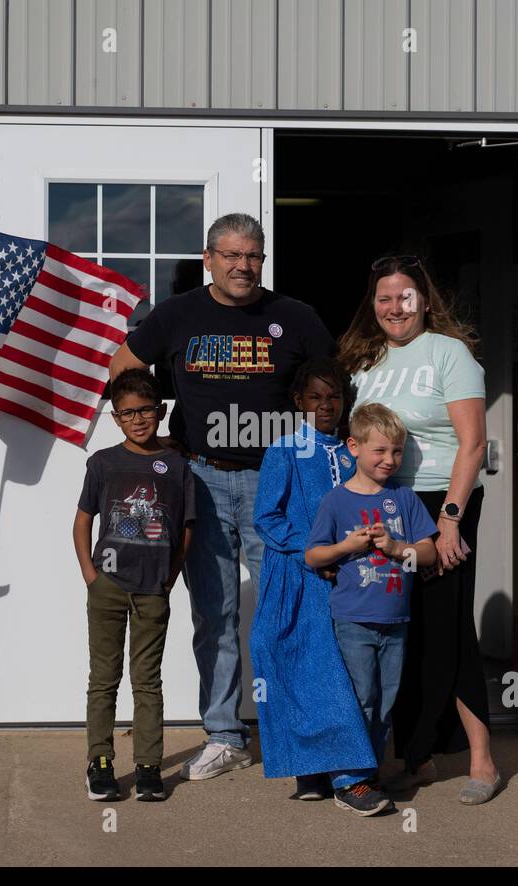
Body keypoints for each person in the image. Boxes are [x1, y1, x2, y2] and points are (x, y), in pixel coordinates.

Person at [107, 213, 334, 781]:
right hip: (200, 480)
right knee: (216, 612)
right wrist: (150, 432)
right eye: (231, 255)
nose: (243, 265)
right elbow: (125, 364)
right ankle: (225, 735)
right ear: (208, 259)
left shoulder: (294, 318)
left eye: (253, 255)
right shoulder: (177, 314)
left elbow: (331, 384)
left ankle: (300, 733)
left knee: (292, 607)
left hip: (273, 481)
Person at [338, 254, 503, 805]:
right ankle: (419, 756)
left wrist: (451, 521)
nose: (393, 307)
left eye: (404, 296)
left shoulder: (450, 354)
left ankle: (481, 758)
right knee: (398, 625)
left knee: (448, 625)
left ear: (424, 301)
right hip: (387, 502)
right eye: (384, 297)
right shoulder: (367, 360)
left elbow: (473, 443)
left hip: (442, 502)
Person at [249, 358, 378, 801]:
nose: (326, 405)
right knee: (294, 662)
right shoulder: (285, 449)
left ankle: (342, 774)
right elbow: (266, 517)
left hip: (348, 577)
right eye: (315, 398)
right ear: (298, 402)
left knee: (339, 669)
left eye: (334, 397)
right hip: (296, 573)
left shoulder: (353, 451)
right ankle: (317, 771)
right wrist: (315, 550)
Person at [305, 403, 438, 817]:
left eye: (397, 452)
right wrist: (349, 547)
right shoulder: (336, 501)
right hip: (353, 619)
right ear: (354, 447)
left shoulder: (404, 498)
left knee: (385, 701)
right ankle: (349, 780)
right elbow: (313, 556)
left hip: (395, 620)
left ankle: (368, 772)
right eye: (380, 451)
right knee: (360, 698)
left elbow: (429, 554)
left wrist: (397, 548)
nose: (389, 460)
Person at [73, 369, 194, 801]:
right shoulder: (103, 463)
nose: (138, 419)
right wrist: (91, 574)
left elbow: (185, 529)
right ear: (116, 419)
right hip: (107, 585)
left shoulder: (177, 466)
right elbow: (84, 519)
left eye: (145, 410)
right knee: (104, 678)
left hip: (152, 590)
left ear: (159, 411)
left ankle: (147, 766)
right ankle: (100, 761)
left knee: (147, 680)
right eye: (128, 413)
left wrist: (170, 576)